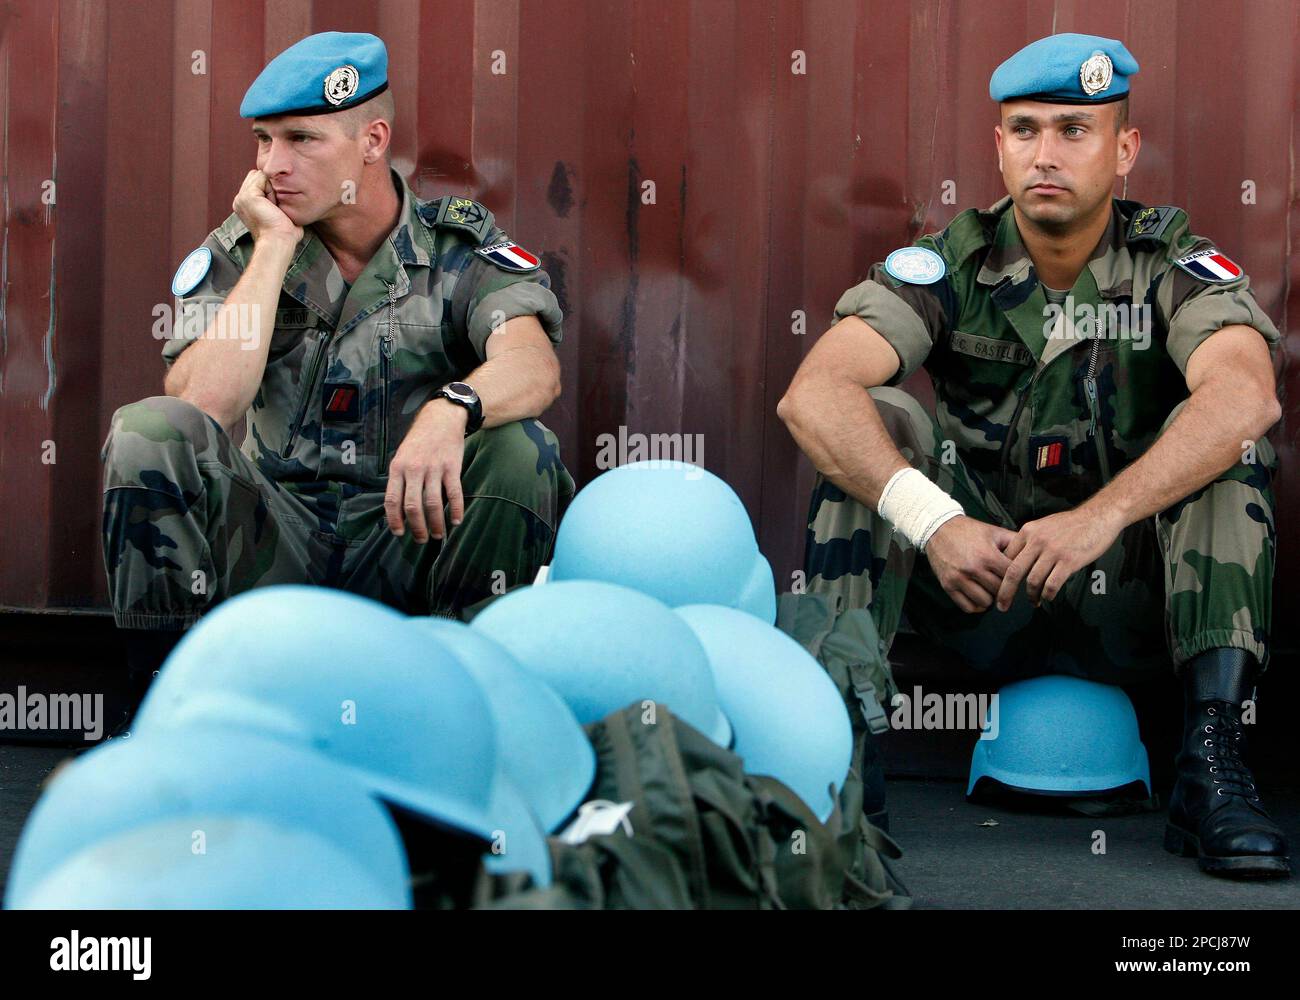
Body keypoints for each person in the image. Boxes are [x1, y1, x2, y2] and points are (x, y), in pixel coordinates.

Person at [777, 33, 1288, 878]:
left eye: (1072, 130)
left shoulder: (1170, 266)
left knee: (1231, 447)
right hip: (982, 580)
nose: (1044, 154)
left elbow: (1246, 395)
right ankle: (841, 766)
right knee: (873, 420)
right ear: (999, 147)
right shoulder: (947, 266)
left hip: (1133, 600)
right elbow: (814, 394)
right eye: (1024, 130)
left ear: (1124, 151)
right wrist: (934, 522)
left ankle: (1213, 766)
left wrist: (1100, 519)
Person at [100, 31, 574, 694]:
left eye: (301, 139)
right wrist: (271, 252)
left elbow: (533, 364)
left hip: (408, 534)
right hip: (276, 543)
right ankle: (160, 711)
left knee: (523, 449)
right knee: (146, 432)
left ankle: (469, 702)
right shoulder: (246, 246)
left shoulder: (457, 248)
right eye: (264, 141)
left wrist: (452, 410)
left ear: (373, 142)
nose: (273, 166)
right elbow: (202, 406)